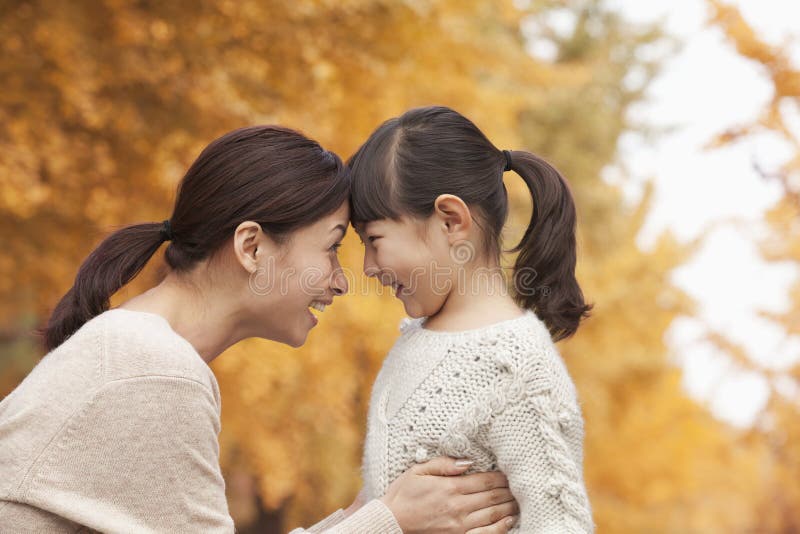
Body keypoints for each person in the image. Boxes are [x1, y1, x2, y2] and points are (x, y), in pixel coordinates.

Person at [0, 125, 520, 533]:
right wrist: (391, 521)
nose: (342, 282)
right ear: (251, 247)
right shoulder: (153, 372)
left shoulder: (138, 349)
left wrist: (374, 512)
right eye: (332, 246)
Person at [346, 106, 596, 532]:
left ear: (451, 220)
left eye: (374, 239)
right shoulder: (414, 340)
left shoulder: (517, 363)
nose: (368, 266)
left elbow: (561, 522)